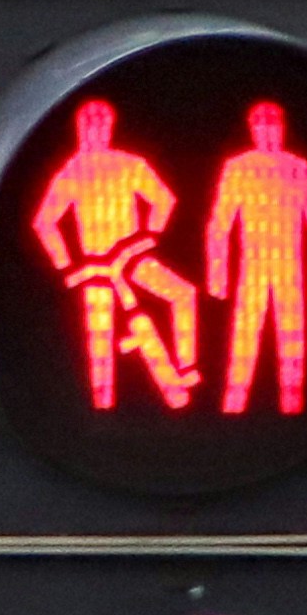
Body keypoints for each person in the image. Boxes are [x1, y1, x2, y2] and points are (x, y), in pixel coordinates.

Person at [29, 99, 201, 410]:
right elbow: (45, 221)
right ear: (81, 130)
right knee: (99, 337)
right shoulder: (73, 171)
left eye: (100, 125)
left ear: (108, 128)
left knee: (183, 294)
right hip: (95, 267)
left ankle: (185, 366)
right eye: (89, 126)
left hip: (132, 258)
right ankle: (102, 401)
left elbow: (163, 199)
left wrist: (147, 236)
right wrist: (68, 265)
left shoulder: (129, 164)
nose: (95, 132)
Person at [205, 101, 307, 418]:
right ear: (252, 129)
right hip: (253, 264)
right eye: (261, 125)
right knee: (245, 335)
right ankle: (235, 400)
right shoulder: (238, 168)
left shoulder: (299, 169)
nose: (267, 131)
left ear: (281, 128)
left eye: (273, 125)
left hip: (289, 265)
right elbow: (219, 225)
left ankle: (291, 402)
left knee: (291, 336)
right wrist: (217, 278)